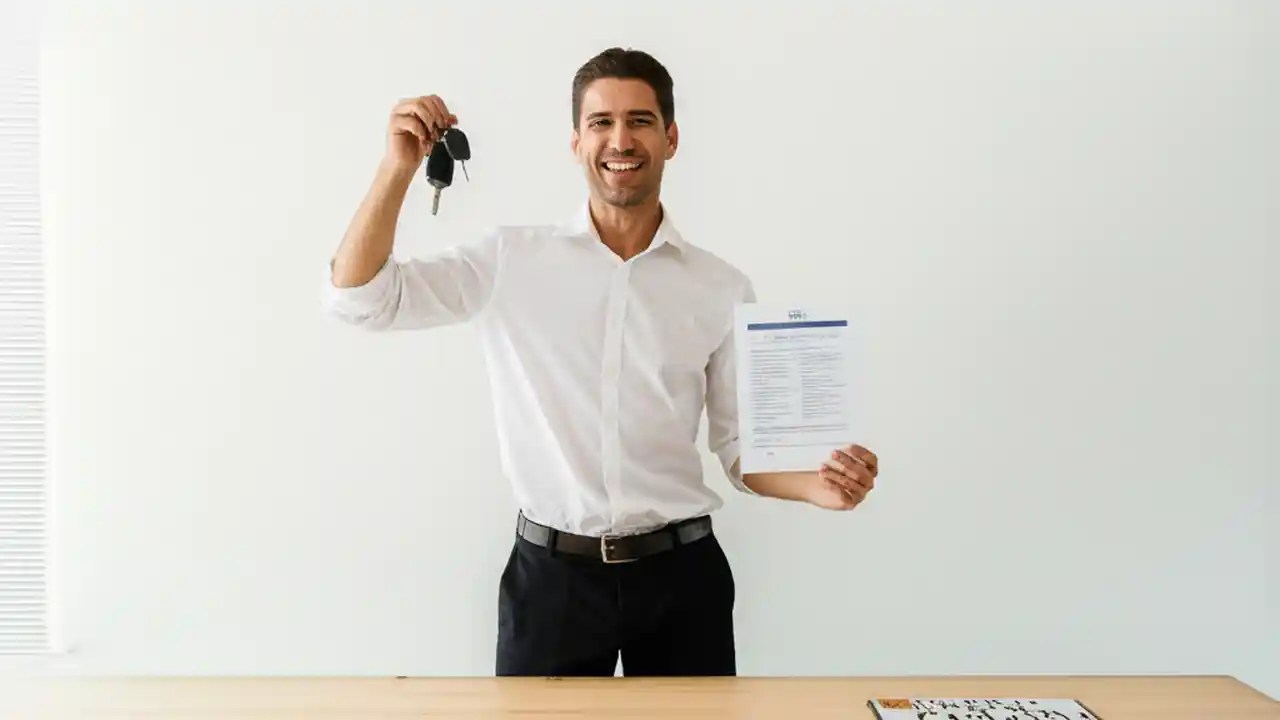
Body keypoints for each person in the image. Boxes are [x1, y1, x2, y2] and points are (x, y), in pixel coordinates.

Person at [323, 47, 880, 677]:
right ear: (575, 141)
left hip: (682, 580)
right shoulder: (508, 261)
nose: (621, 139)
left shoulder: (719, 286)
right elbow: (359, 300)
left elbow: (739, 448)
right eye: (601, 122)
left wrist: (819, 486)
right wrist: (398, 167)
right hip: (551, 580)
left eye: (641, 121)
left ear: (671, 138)